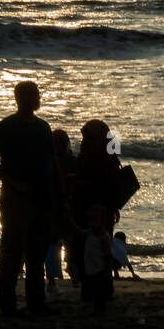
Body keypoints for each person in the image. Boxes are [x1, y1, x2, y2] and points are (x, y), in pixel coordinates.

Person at [0, 81, 57, 317]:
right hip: (15, 199)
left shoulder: (44, 127)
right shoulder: (5, 127)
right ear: (21, 99)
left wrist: (58, 193)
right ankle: (7, 304)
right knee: (12, 253)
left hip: (42, 197)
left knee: (37, 252)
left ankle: (36, 301)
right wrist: (12, 182)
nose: (38, 98)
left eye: (37, 94)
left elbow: (52, 163)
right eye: (34, 95)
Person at [71, 118, 123, 304]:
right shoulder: (110, 154)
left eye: (86, 136)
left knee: (91, 251)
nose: (83, 139)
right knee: (100, 251)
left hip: (92, 209)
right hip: (101, 209)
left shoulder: (92, 155)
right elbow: (113, 182)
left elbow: (94, 181)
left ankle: (95, 290)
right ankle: (102, 289)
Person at [46, 128, 75, 290]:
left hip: (52, 207)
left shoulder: (47, 162)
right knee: (71, 243)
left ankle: (51, 280)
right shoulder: (72, 161)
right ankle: (74, 276)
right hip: (68, 207)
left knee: (53, 244)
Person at [81, 204, 113, 314]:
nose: (91, 223)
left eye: (94, 219)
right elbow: (78, 233)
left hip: (100, 269)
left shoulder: (104, 236)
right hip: (91, 267)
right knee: (94, 290)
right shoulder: (89, 233)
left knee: (99, 292)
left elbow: (108, 255)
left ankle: (100, 309)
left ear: (103, 221)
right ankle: (97, 308)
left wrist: (107, 270)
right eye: (90, 220)